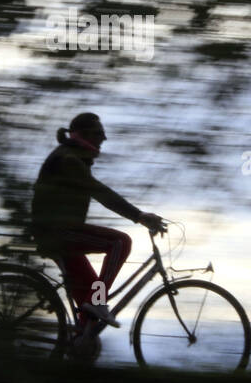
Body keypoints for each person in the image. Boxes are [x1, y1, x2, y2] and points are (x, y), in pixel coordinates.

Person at [31, 112, 164, 348]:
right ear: (83, 135)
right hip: (58, 232)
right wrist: (139, 216)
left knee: (92, 301)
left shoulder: (73, 157)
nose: (104, 138)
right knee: (119, 242)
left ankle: (80, 343)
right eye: (99, 134)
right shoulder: (69, 159)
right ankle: (97, 303)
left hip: (58, 234)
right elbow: (99, 192)